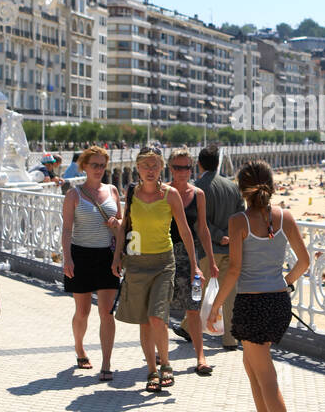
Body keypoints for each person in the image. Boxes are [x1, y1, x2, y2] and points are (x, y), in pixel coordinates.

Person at [206, 161, 311, 412]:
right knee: (251, 364)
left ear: (242, 189)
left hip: (252, 303)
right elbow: (303, 262)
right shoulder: (285, 217)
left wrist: (215, 306)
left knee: (266, 376)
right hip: (277, 302)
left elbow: (235, 269)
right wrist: (284, 283)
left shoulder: (239, 221)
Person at [113, 147, 201, 392]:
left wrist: (195, 265)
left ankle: (166, 364)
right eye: (145, 166)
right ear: (138, 168)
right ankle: (151, 370)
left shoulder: (170, 194)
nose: (150, 171)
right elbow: (124, 226)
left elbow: (185, 231)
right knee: (144, 321)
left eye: (154, 166)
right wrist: (117, 256)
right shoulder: (131, 192)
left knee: (156, 316)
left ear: (161, 167)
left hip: (164, 262)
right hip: (137, 261)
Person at [61, 145, 122, 379]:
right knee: (83, 312)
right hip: (81, 255)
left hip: (107, 255)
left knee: (107, 313)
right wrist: (67, 258)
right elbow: (67, 229)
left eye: (102, 165)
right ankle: (79, 348)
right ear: (84, 166)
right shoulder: (74, 194)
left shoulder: (113, 190)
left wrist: (118, 223)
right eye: (94, 165)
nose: (99, 169)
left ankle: (106, 363)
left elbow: (121, 223)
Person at [166, 147, 217, 375]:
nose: (182, 171)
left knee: (194, 306)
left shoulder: (198, 195)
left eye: (186, 167)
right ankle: (161, 353)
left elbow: (203, 229)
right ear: (170, 168)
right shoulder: (162, 193)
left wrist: (212, 261)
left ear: (192, 167)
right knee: (161, 305)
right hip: (164, 254)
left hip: (191, 256)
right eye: (177, 167)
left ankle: (200, 356)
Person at [194, 144, 245, 351]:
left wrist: (218, 236)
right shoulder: (232, 186)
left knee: (201, 290)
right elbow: (241, 214)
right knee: (228, 293)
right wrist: (231, 236)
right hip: (231, 248)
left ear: (199, 164)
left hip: (209, 248)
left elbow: (199, 221)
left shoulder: (199, 187)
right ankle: (230, 339)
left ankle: (191, 329)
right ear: (217, 163)